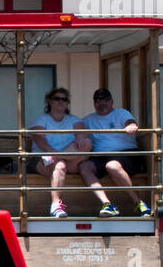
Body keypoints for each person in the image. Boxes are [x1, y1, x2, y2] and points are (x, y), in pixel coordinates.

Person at [30, 87, 108, 218]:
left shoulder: (73, 119)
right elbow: (39, 139)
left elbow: (82, 133)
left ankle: (59, 157)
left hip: (65, 159)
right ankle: (55, 205)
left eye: (64, 99)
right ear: (49, 101)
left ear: (67, 103)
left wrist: (79, 136)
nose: (61, 102)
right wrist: (52, 152)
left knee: (86, 142)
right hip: (43, 160)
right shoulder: (42, 119)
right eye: (57, 99)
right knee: (60, 165)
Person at [79, 88, 152, 217]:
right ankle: (108, 204)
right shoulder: (87, 120)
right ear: (94, 103)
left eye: (105, 100)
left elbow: (130, 123)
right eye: (98, 100)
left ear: (111, 102)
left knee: (112, 165)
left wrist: (131, 126)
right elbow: (76, 135)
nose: (101, 103)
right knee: (84, 167)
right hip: (101, 157)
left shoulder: (121, 113)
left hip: (127, 154)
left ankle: (139, 203)